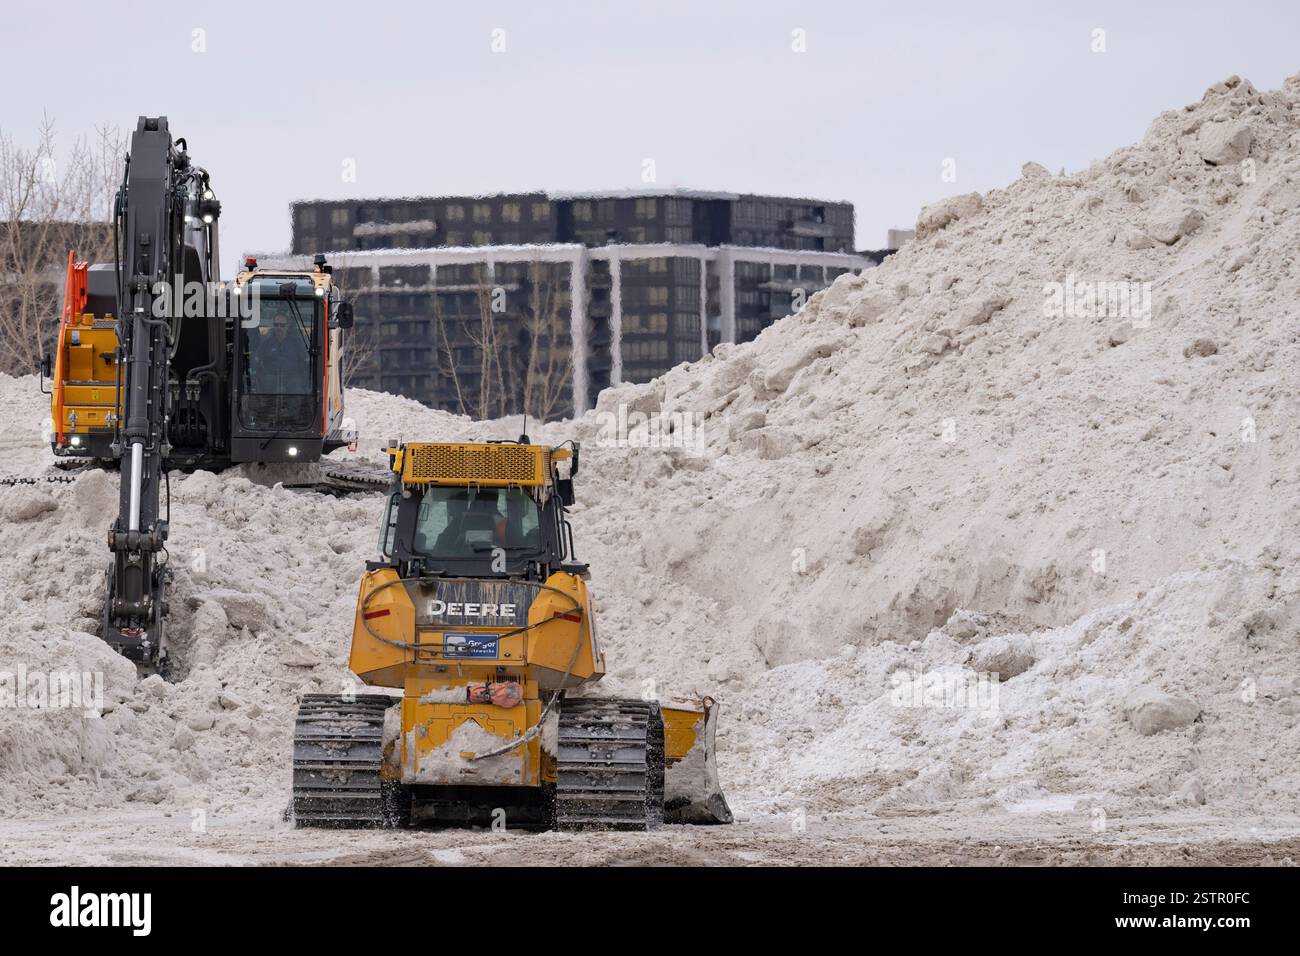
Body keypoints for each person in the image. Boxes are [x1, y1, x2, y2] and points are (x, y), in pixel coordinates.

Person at [252, 306, 309, 394]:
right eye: (276, 325)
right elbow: (256, 359)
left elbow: (306, 360)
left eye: (282, 325)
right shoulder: (266, 342)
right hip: (270, 378)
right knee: (265, 384)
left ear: (287, 326)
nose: (279, 327)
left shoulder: (296, 342)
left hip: (292, 378)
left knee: (297, 387)